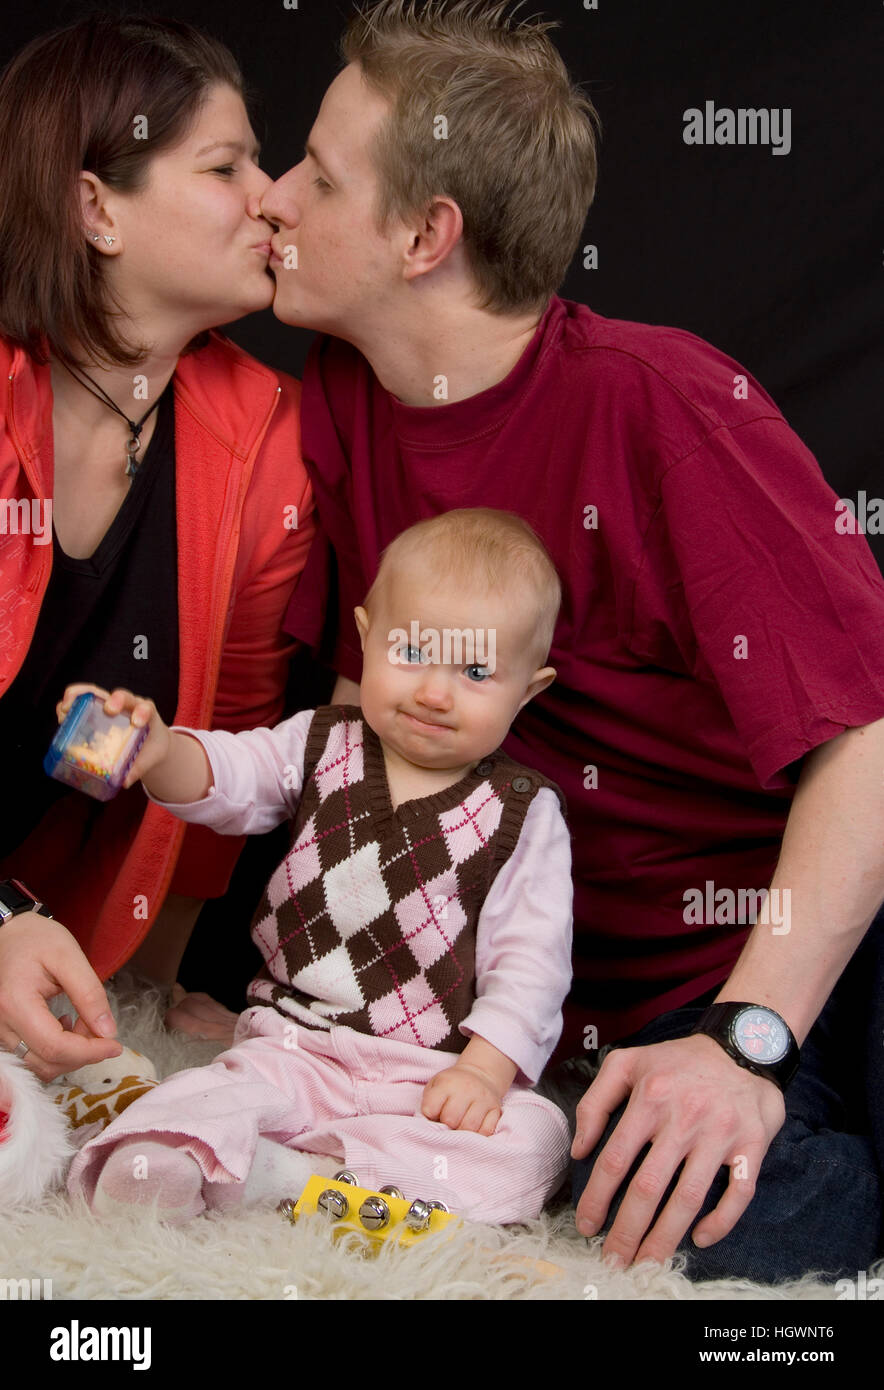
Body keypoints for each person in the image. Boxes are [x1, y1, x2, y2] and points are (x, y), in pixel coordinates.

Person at [257, 0, 884, 1280]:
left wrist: (747, 1038)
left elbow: (868, 739)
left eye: (316, 175)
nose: (272, 198)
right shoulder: (333, 405)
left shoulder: (660, 404)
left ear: (426, 235)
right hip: (582, 1009)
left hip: (795, 953)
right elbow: (341, 748)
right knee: (636, 1202)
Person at [64, 509, 573, 1225]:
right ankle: (203, 1159)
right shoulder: (321, 743)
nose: (434, 692)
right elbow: (232, 779)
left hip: (428, 1077)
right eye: (413, 652)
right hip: (293, 1047)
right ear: (367, 640)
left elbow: (534, 964)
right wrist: (160, 752)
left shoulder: (521, 811)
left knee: (538, 1139)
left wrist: (484, 1072)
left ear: (529, 688)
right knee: (208, 1095)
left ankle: (289, 1174)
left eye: (477, 670)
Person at [0, 17, 315, 1082]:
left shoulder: (269, 433)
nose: (271, 197)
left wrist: (141, 1000)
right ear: (95, 208)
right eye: (226, 167)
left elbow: (222, 743)